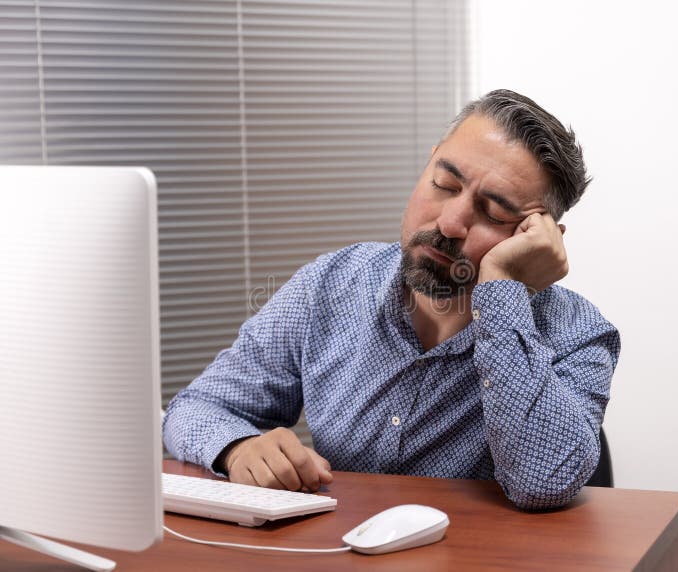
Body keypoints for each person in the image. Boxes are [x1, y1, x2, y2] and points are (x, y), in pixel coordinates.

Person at [163, 89, 621, 510]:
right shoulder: (329, 285)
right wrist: (237, 447)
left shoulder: (579, 334)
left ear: (538, 240)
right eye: (444, 184)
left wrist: (502, 287)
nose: (450, 222)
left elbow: (543, 482)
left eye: (495, 212)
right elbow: (195, 408)